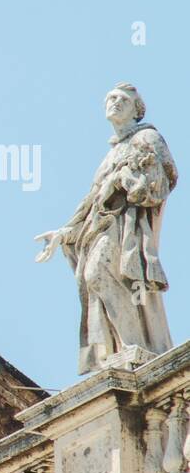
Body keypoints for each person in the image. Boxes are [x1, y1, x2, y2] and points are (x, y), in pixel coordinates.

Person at [36, 83, 177, 373]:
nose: (114, 102)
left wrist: (125, 180)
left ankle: (134, 346)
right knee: (95, 279)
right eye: (110, 98)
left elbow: (162, 183)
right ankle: (126, 347)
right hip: (101, 227)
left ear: (136, 109)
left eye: (122, 99)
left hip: (127, 228)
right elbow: (90, 203)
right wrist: (64, 233)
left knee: (97, 272)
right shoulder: (108, 156)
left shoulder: (148, 137)